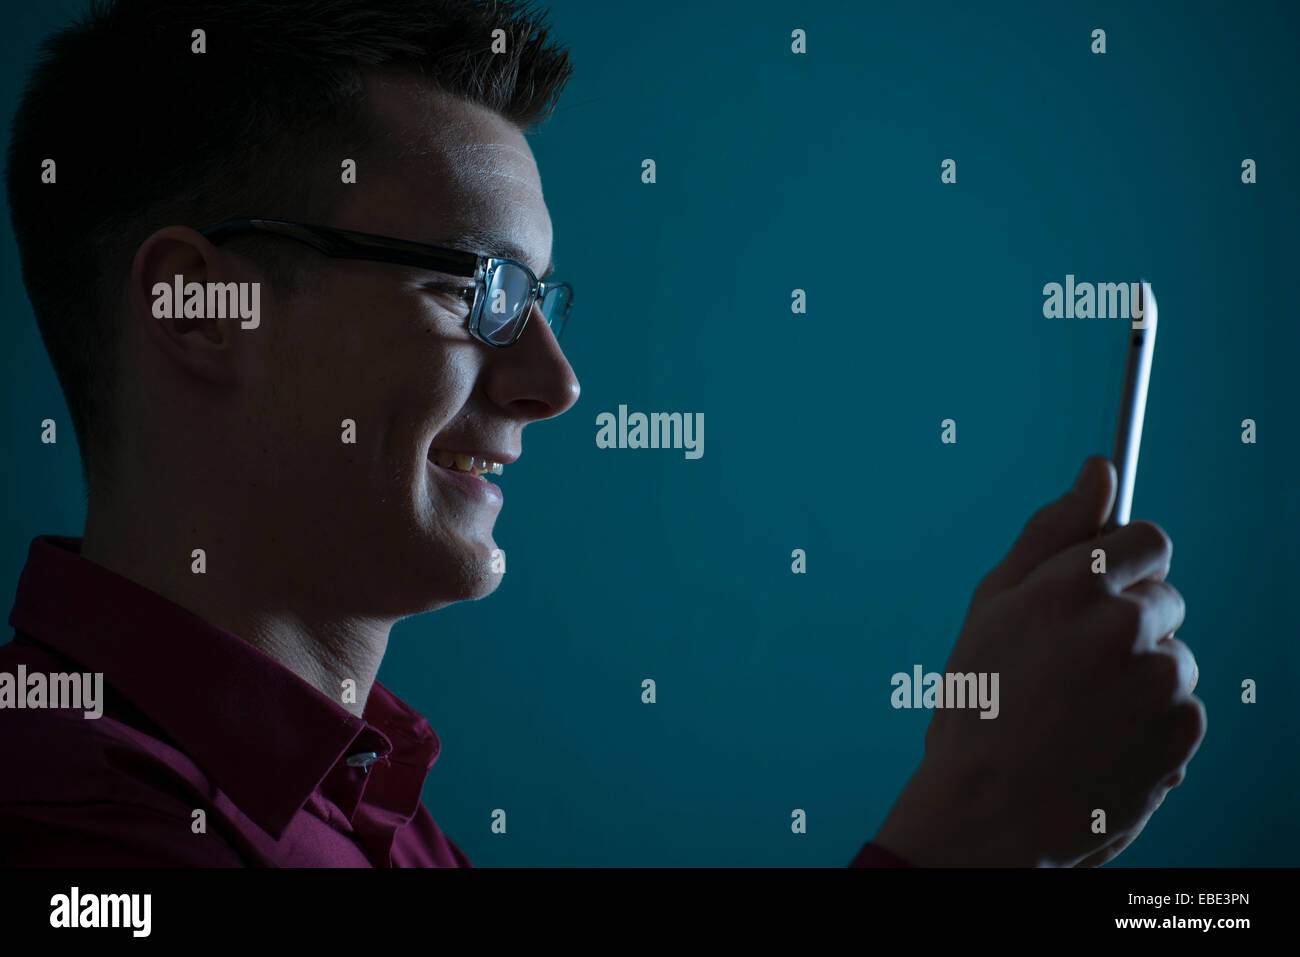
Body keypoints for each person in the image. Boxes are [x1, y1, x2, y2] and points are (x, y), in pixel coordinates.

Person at [0, 0, 1204, 867]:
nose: (555, 382)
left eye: (540, 301)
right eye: (478, 291)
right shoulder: (74, 824)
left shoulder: (366, 804)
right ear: (200, 310)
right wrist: (974, 839)